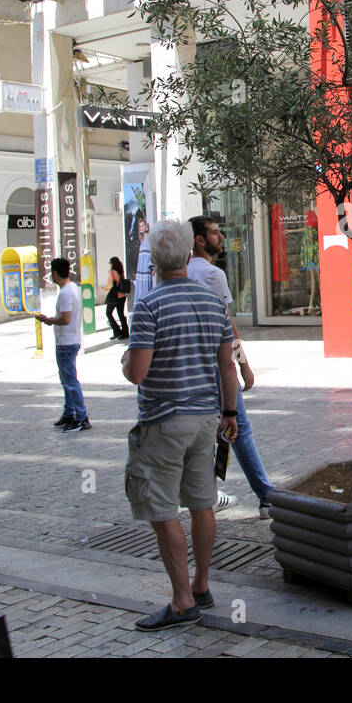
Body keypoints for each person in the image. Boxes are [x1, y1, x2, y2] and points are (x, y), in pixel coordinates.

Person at [121, 219, 239, 630]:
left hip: (163, 422)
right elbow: (227, 366)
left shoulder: (149, 306)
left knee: (162, 508)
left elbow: (138, 372)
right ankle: (202, 584)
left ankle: (181, 600)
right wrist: (230, 414)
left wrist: (124, 360)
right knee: (202, 502)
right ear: (189, 255)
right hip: (207, 419)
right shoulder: (211, 302)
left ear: (154, 260)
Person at [189, 215, 271, 517]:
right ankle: (266, 496)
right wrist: (244, 365)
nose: (221, 236)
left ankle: (210, 492)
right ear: (199, 240)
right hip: (217, 364)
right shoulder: (213, 275)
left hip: (193, 366)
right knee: (239, 429)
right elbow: (227, 325)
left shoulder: (181, 272)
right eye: (214, 232)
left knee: (216, 432)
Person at [35, 258, 90, 433]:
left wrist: (48, 320)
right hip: (69, 340)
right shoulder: (73, 288)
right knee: (66, 380)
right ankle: (69, 412)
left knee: (70, 381)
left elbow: (65, 318)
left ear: (56, 273)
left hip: (66, 341)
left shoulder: (66, 292)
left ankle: (81, 417)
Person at [105, 256, 130, 340]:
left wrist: (104, 288)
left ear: (112, 264)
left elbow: (109, 285)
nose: (109, 264)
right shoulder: (120, 272)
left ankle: (117, 331)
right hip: (123, 296)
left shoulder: (112, 272)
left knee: (108, 313)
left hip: (114, 296)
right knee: (121, 315)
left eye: (110, 263)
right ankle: (125, 333)